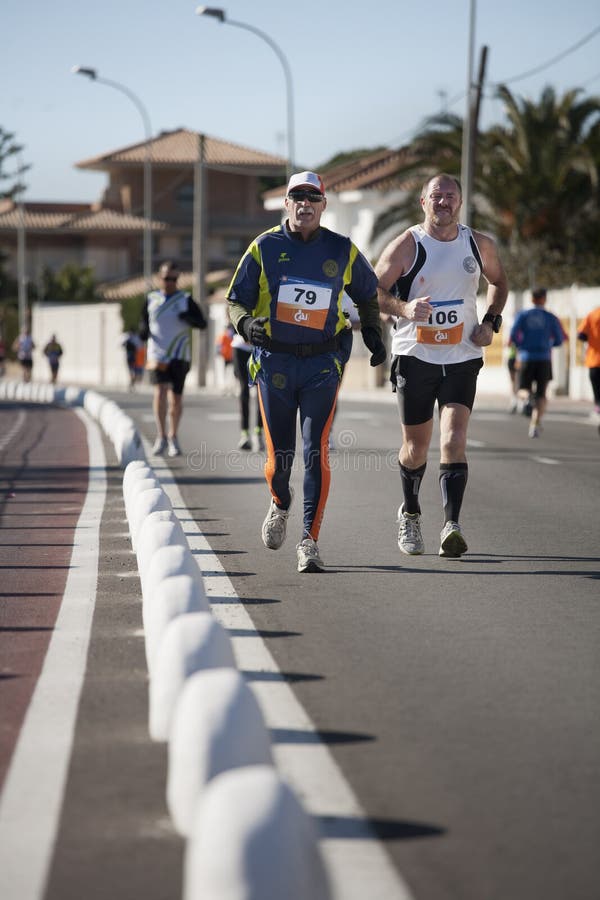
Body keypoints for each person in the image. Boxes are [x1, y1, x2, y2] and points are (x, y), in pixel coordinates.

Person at [226, 170, 386, 573]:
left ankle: (309, 541)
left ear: (324, 205)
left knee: (316, 450)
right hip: (274, 365)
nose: (305, 204)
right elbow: (235, 300)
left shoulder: (341, 249)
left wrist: (372, 331)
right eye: (297, 196)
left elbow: (367, 293)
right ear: (286, 203)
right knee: (279, 461)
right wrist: (246, 324)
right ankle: (281, 501)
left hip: (322, 365)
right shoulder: (264, 247)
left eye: (313, 197)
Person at [375, 173, 508, 559]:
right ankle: (410, 513)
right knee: (416, 448)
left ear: (460, 203)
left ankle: (452, 525)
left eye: (450, 196)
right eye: (436, 196)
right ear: (423, 202)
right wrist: (404, 308)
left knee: (454, 439)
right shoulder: (407, 244)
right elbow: (372, 290)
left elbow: (499, 282)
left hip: (462, 356)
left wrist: (490, 322)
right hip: (415, 357)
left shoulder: (478, 244)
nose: (443, 202)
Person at [139, 261, 207, 457]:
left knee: (175, 399)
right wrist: (143, 331)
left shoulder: (185, 299)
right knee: (160, 392)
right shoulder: (151, 299)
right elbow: (143, 323)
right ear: (159, 278)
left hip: (180, 354)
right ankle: (161, 436)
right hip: (157, 355)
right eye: (167, 278)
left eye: (174, 279)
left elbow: (202, 324)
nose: (170, 282)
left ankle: (173, 436)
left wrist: (189, 318)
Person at [509, 287, 566, 438]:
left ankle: (528, 398)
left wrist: (521, 345)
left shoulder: (523, 315)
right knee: (542, 394)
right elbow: (559, 339)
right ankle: (534, 425)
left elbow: (513, 334)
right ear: (544, 299)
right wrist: (547, 345)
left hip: (526, 357)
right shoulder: (550, 317)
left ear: (531, 298)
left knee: (521, 389)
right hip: (544, 359)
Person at [231, 329, 265, 451]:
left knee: (261, 390)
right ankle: (244, 434)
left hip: (259, 349)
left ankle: (258, 433)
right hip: (240, 348)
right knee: (244, 389)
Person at [577, 305, 600, 425]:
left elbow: (581, 335)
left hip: (594, 360)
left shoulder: (593, 314)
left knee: (597, 392)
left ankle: (598, 407)